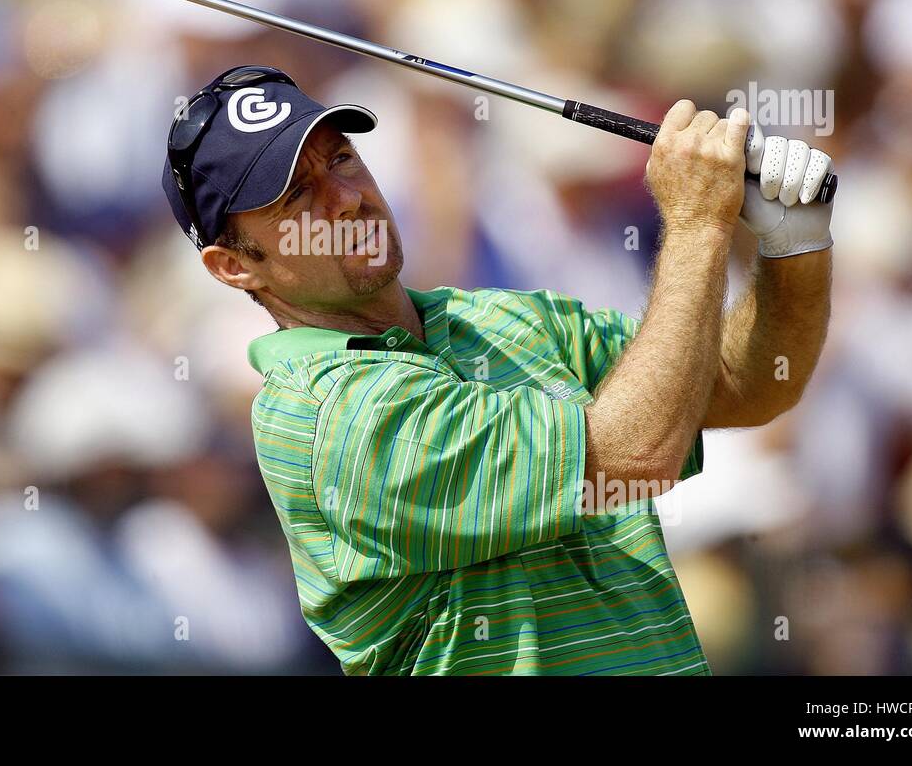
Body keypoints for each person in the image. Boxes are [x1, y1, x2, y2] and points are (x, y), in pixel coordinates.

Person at [161, 65, 835, 675]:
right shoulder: (330, 416)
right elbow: (636, 453)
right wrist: (694, 223)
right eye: (295, 197)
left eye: (342, 159)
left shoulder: (505, 321)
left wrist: (791, 241)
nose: (345, 199)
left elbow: (746, 385)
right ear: (234, 265)